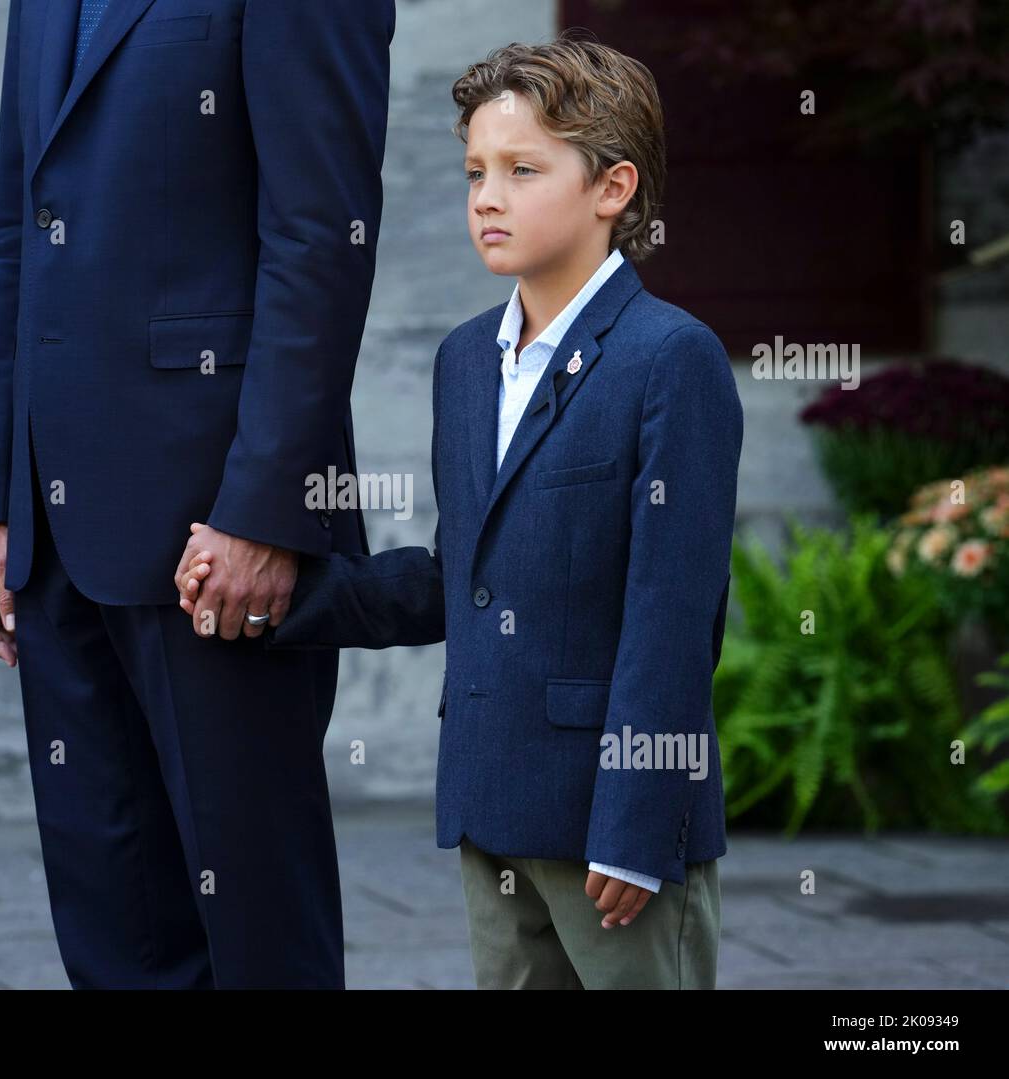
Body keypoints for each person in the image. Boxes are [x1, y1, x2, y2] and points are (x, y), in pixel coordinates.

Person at [180, 33, 742, 990]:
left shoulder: (670, 359)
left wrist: (640, 821)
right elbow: (461, 577)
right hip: (491, 804)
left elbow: (673, 616)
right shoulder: (464, 361)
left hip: (615, 830)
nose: (488, 195)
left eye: (524, 169)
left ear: (613, 188)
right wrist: (283, 594)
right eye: (476, 169)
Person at [0, 0, 396, 989]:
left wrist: (264, 511)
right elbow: (15, 232)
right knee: (116, 937)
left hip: (218, 524)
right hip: (53, 523)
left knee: (257, 938)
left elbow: (320, 234)